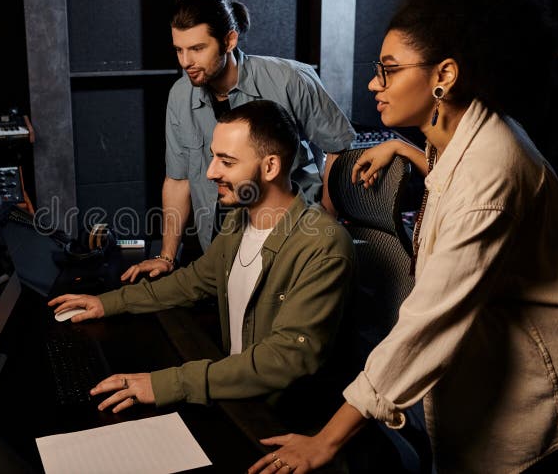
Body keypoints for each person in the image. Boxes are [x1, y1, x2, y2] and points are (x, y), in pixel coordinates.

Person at [249, 0, 558, 474]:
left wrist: (327, 440)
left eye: (388, 71)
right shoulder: (460, 138)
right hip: (489, 364)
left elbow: (427, 321)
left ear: (443, 75)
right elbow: (461, 191)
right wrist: (407, 151)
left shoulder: (491, 169)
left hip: (542, 381)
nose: (372, 85)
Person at [49, 100, 353, 412]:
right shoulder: (240, 220)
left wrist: (165, 384)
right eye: (213, 158)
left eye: (227, 162)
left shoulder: (323, 245)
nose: (210, 173)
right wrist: (108, 302)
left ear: (271, 167)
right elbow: (192, 281)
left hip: (272, 416)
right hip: (231, 392)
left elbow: (285, 359)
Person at [121, 0, 356, 283]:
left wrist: (325, 221)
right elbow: (178, 180)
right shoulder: (179, 96)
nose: (186, 61)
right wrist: (167, 256)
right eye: (179, 50)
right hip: (222, 247)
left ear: (229, 40)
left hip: (294, 239)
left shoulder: (291, 79)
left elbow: (340, 147)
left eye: (197, 48)